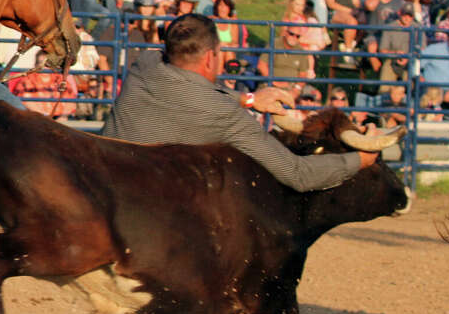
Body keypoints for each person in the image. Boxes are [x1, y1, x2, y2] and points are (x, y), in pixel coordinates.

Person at [100, 13, 375, 192]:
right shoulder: (225, 114)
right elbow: (297, 173)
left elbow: (183, 87)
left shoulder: (146, 63)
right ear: (210, 57)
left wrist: (250, 98)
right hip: (143, 206)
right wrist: (360, 159)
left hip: (99, 177)